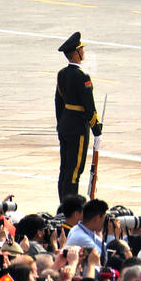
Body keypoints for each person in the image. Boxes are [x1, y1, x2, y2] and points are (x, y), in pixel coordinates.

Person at [54, 32, 101, 202]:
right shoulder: (82, 77)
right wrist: (97, 129)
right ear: (76, 53)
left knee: (65, 168)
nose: (83, 51)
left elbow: (58, 102)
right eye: (81, 49)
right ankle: (70, 207)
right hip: (78, 127)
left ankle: (63, 203)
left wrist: (61, 124)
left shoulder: (62, 74)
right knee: (75, 170)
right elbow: (89, 106)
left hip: (65, 125)